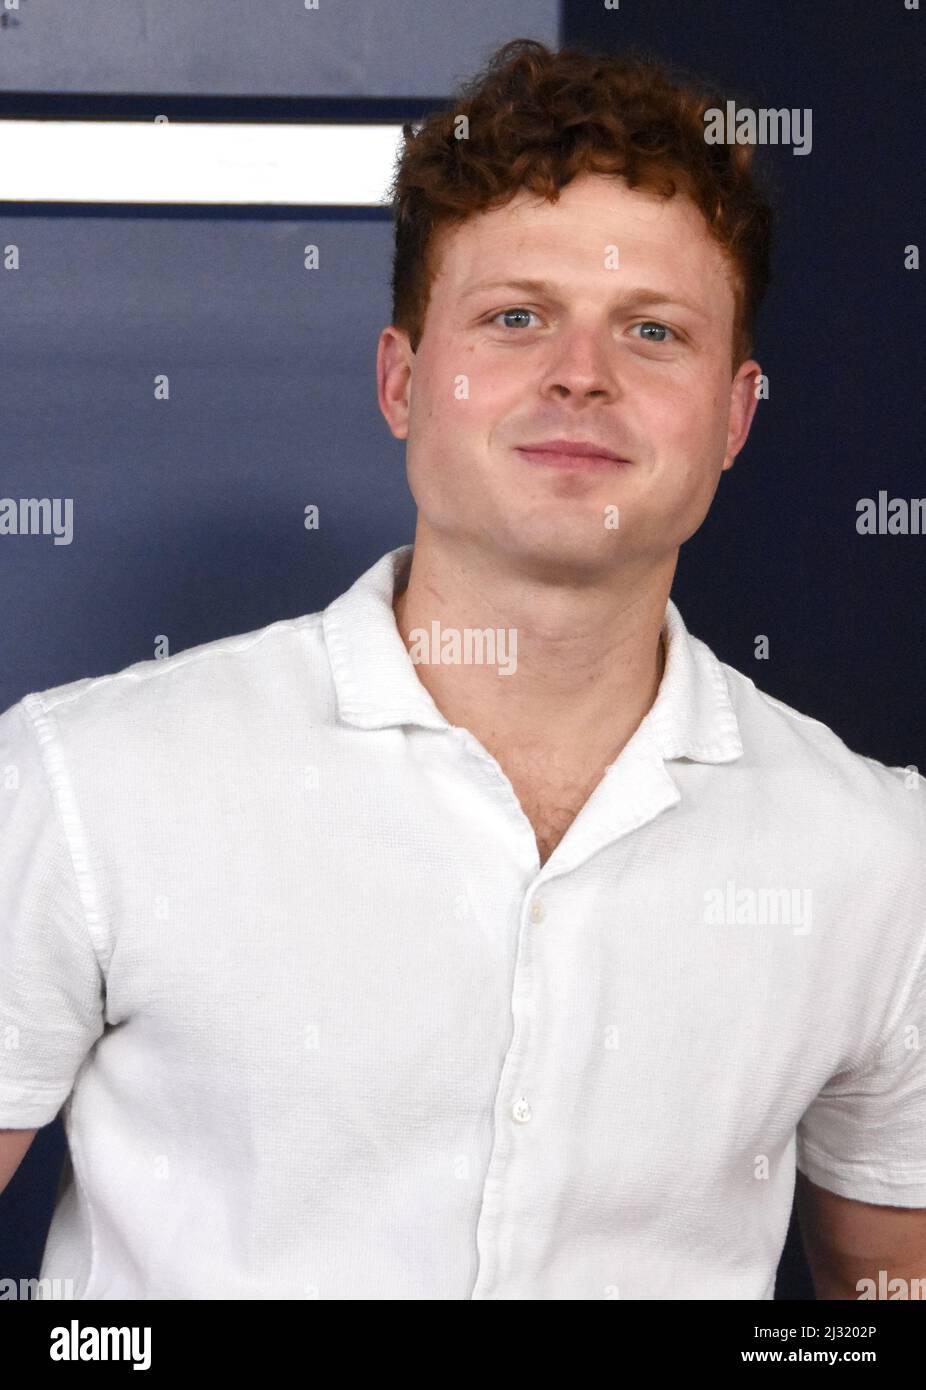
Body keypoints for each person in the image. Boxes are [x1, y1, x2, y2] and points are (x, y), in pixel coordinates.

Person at [1, 38, 924, 1301]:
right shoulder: (83, 780)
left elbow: (887, 1289)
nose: (579, 376)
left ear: (733, 414)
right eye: (514, 317)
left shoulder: (876, 853)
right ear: (402, 380)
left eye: (650, 331)